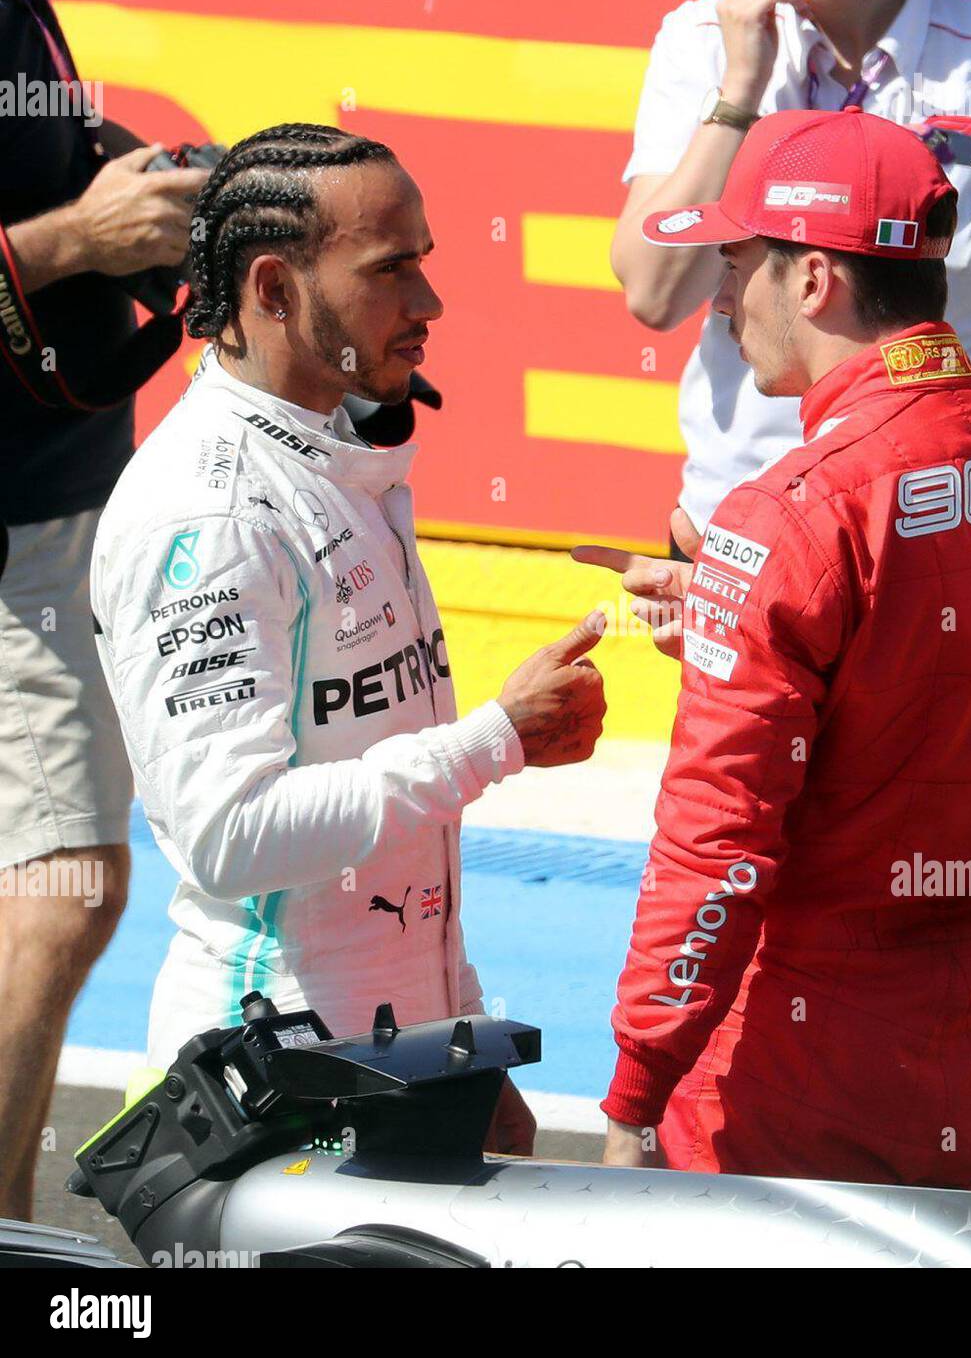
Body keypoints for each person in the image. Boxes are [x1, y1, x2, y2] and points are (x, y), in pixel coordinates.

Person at [580, 106, 971, 1189]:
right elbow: (941, 663)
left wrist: (635, 1085)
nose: (717, 294)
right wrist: (738, 615)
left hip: (784, 1085)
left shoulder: (790, 517)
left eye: (735, 259)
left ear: (811, 282)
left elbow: (716, 845)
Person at [90, 125, 607, 1154]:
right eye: (391, 269)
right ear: (275, 290)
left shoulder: (335, 460)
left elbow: (386, 826)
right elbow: (231, 837)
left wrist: (462, 1026)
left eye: (425, 262)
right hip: (272, 1086)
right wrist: (497, 737)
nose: (429, 302)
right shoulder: (212, 516)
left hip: (390, 1056)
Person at [613, 0, 971, 678]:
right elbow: (656, 292)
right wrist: (740, 92)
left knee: (963, 787)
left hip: (956, 527)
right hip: (750, 527)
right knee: (743, 781)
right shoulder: (704, 42)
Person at [0, 0, 209, 1219]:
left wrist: (152, 201)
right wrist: (78, 239)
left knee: (68, 886)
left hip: (51, 501)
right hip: (34, 509)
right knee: (68, 884)